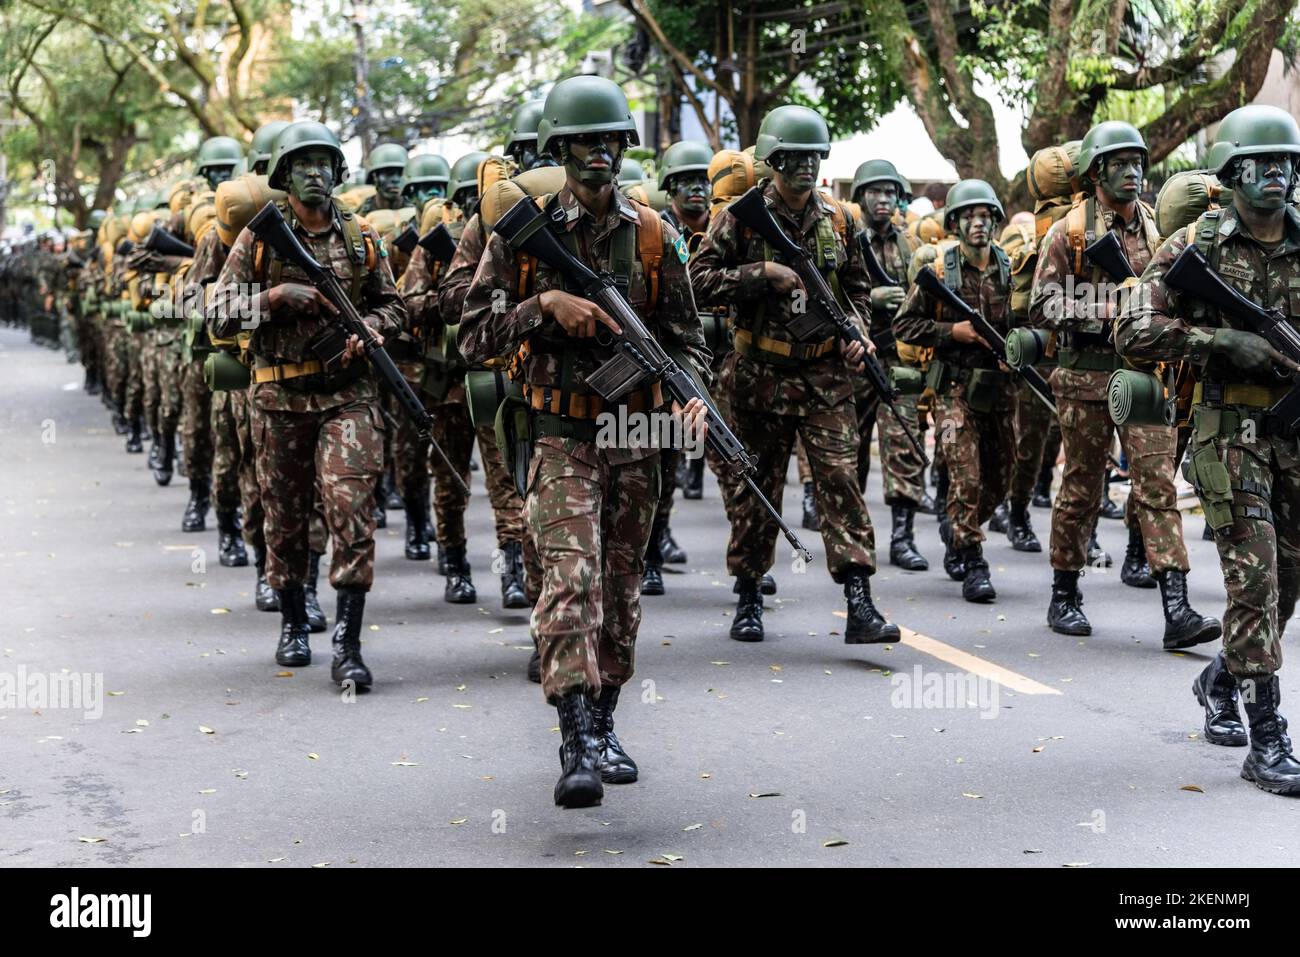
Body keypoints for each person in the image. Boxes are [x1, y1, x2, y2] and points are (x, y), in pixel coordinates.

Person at [459, 75, 710, 807]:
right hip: (560, 431)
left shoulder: (658, 236)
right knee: (569, 580)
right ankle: (573, 737)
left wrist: (691, 395)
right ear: (561, 148)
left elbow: (687, 338)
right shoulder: (524, 233)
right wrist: (543, 305)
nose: (599, 154)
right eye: (584, 142)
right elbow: (474, 334)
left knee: (621, 590)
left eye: (610, 141)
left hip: (636, 435)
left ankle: (605, 721)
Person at [1117, 104, 1300, 794]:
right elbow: (1133, 330)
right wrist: (1219, 341)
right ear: (1234, 172)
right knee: (1253, 578)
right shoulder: (1199, 246)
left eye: (1287, 162)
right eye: (1263, 163)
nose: (1278, 173)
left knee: (1284, 589)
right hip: (1229, 437)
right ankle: (1269, 738)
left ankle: (1222, 675)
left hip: (1293, 437)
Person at [207, 120, 406, 689]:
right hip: (279, 397)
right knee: (286, 518)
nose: (316, 173)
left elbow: (395, 307)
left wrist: (370, 325)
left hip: (349, 398)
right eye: (303, 164)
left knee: (351, 510)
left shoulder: (362, 236)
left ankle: (348, 641)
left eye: (324, 163)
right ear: (284, 175)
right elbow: (217, 311)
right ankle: (294, 621)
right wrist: (271, 298)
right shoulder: (260, 237)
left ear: (339, 172)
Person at [691, 104, 898, 644]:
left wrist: (857, 331)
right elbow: (697, 282)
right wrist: (761, 275)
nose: (806, 167)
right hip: (758, 374)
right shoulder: (739, 216)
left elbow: (856, 290)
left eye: (813, 157)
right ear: (775, 160)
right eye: (794, 158)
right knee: (758, 487)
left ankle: (859, 600)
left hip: (826, 377)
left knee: (841, 482)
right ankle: (750, 594)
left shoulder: (839, 219)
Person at [1030, 120, 1218, 647]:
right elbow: (1042, 305)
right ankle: (1065, 591)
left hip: (1143, 376)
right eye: (1120, 164)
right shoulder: (1068, 232)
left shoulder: (1159, 228)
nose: (1132, 173)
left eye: (1137, 163)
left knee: (1157, 488)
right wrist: (1113, 308)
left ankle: (1176, 608)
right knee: (1082, 489)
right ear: (1096, 172)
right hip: (1086, 377)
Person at [895, 179, 1014, 601]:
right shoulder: (941, 273)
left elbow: (1024, 326)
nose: (978, 224)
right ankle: (973, 558)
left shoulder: (1009, 270)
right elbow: (905, 326)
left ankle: (957, 525)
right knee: (966, 474)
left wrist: (1015, 351)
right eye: (969, 216)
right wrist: (953, 331)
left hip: (998, 389)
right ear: (956, 223)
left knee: (1002, 478)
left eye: (985, 217)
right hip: (953, 390)